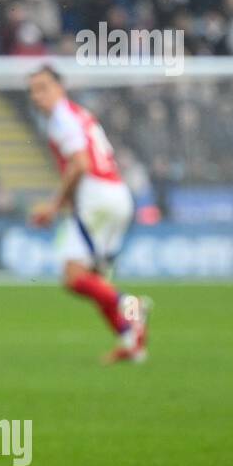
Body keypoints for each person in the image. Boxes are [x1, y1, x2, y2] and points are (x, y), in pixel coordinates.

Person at [27, 65, 149, 363]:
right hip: (116, 195)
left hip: (96, 199)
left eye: (44, 87)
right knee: (96, 281)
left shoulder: (61, 118)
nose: (37, 96)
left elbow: (80, 163)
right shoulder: (78, 114)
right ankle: (132, 343)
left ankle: (130, 305)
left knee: (72, 277)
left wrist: (54, 206)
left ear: (60, 87)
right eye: (33, 91)